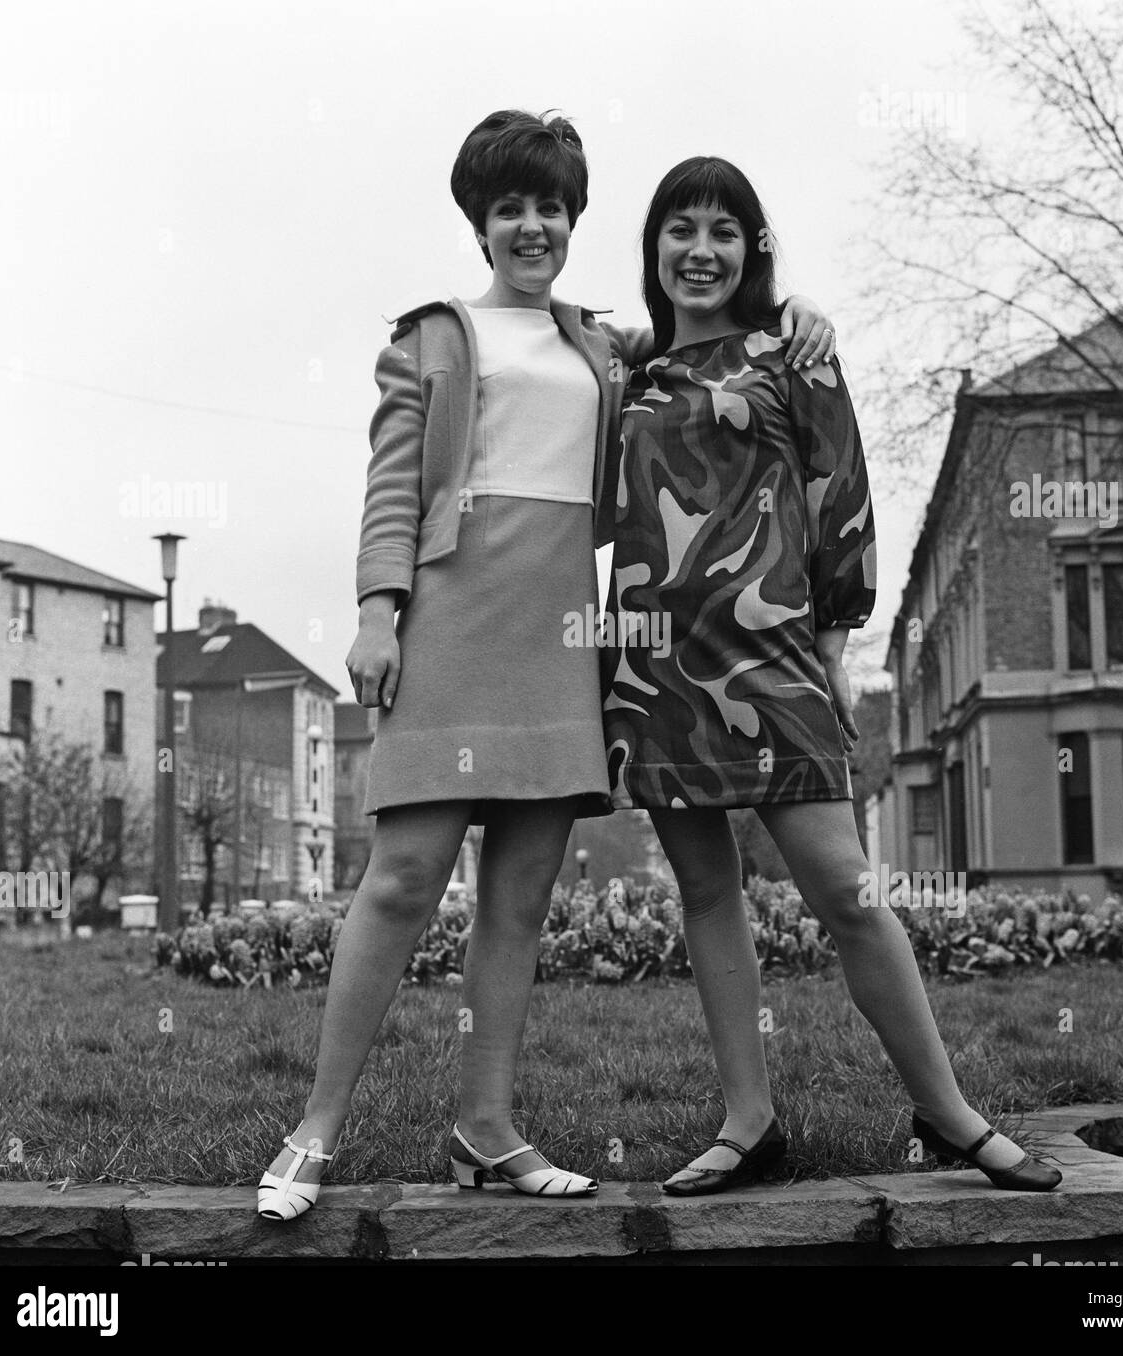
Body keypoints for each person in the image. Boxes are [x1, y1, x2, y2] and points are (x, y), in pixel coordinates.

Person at [257, 114, 837, 1219]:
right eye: (510, 208)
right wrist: (378, 615)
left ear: (574, 220)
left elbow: (714, 341)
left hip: (564, 645)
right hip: (453, 626)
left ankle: (485, 1133)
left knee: (516, 902)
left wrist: (792, 308)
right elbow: (389, 488)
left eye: (551, 208)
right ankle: (313, 1130)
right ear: (481, 224)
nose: (533, 225)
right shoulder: (430, 337)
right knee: (400, 882)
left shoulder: (607, 348)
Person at [600, 155, 1062, 1196]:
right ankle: (748, 1121)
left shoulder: (792, 352)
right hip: (655, 673)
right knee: (706, 891)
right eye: (681, 229)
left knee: (850, 895)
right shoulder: (626, 372)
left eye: (726, 231)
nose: (702, 250)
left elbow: (838, 487)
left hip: (774, 657)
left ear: (754, 249)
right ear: (654, 248)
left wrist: (838, 640)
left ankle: (946, 1115)